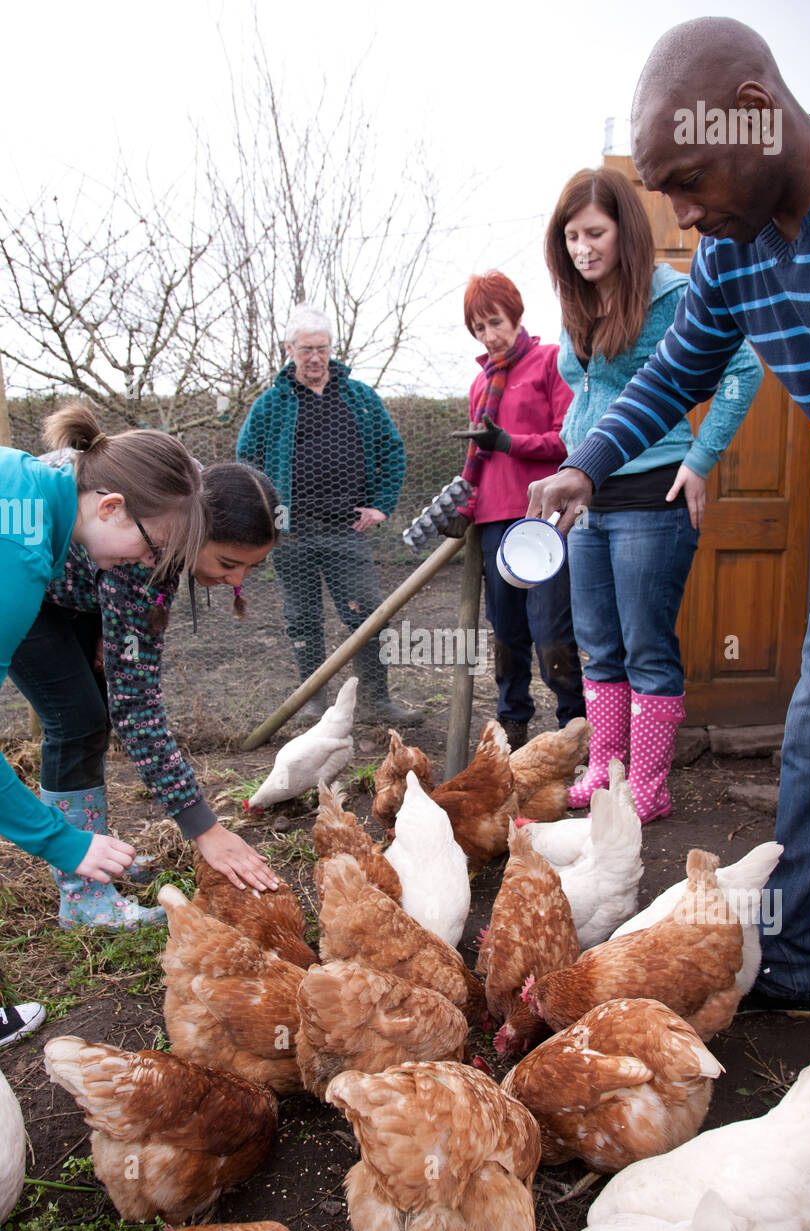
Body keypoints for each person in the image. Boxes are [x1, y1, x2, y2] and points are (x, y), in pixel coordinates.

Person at [528, 16, 810, 1018]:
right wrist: (583, 465)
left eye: (687, 179)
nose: (675, 210)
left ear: (757, 118)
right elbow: (673, 370)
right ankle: (796, 961)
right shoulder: (730, 254)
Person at [544, 168, 762, 821]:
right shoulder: (578, 303)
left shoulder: (668, 294)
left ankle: (649, 786)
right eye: (572, 235)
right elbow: (586, 397)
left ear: (624, 232)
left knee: (646, 648)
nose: (583, 248)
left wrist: (700, 459)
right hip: (590, 500)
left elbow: (742, 368)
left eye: (596, 233)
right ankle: (608, 773)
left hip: (650, 495)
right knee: (599, 645)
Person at [9, 461, 283, 931]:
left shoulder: (168, 520)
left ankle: (94, 851)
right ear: (193, 533)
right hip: (31, 596)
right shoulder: (146, 551)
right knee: (76, 722)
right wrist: (204, 828)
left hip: (83, 593)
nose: (237, 582)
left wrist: (110, 621)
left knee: (90, 719)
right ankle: (83, 893)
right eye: (228, 563)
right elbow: (137, 708)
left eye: (252, 567)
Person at [0, 402, 204, 947]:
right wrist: (61, 844)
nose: (147, 564)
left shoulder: (27, 486)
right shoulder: (20, 558)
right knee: (78, 721)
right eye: (153, 546)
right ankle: (82, 890)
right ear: (111, 507)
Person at [236, 304, 420, 727]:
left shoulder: (360, 397)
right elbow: (246, 460)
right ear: (289, 350)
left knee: (368, 613)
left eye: (322, 348)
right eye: (306, 350)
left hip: (345, 529)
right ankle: (312, 700)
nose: (315, 357)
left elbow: (392, 450)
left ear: (331, 348)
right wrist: (267, 513)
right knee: (301, 617)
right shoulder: (271, 405)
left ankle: (375, 700)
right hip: (291, 533)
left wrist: (381, 505)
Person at [450, 272, 585, 750]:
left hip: (542, 518)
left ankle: (576, 724)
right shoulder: (478, 385)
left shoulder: (550, 361)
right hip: (493, 522)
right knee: (506, 635)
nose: (490, 335)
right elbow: (479, 463)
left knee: (550, 631)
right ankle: (515, 725)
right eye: (479, 328)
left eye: (496, 322)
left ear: (516, 315)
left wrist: (508, 442)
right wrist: (464, 503)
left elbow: (571, 438)